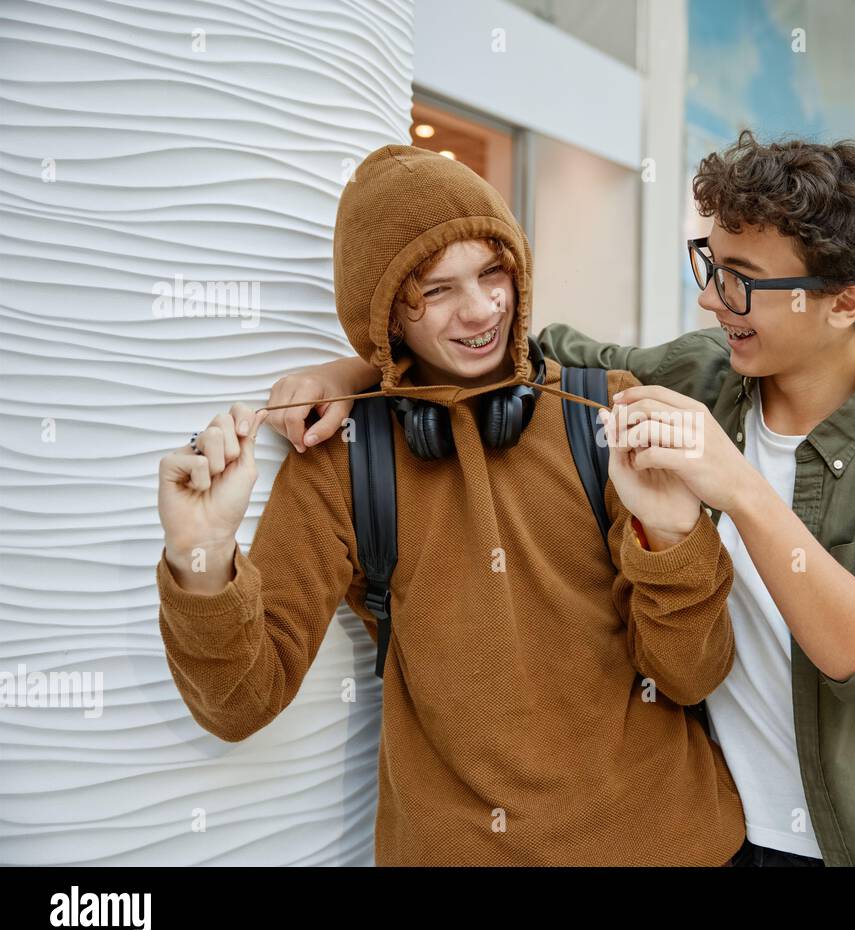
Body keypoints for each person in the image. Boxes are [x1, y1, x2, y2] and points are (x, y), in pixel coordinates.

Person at [272, 130, 855, 866]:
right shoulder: (698, 372)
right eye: (710, 265)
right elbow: (523, 357)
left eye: (741, 280)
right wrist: (358, 370)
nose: (709, 298)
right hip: (727, 831)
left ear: (845, 303)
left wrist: (743, 492)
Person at [155, 144, 746, 865]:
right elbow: (241, 700)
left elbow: (692, 673)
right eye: (434, 292)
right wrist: (204, 558)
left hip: (677, 846)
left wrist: (672, 533)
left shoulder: (608, 409)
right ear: (384, 318)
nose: (479, 311)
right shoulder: (341, 455)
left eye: (492, 273)